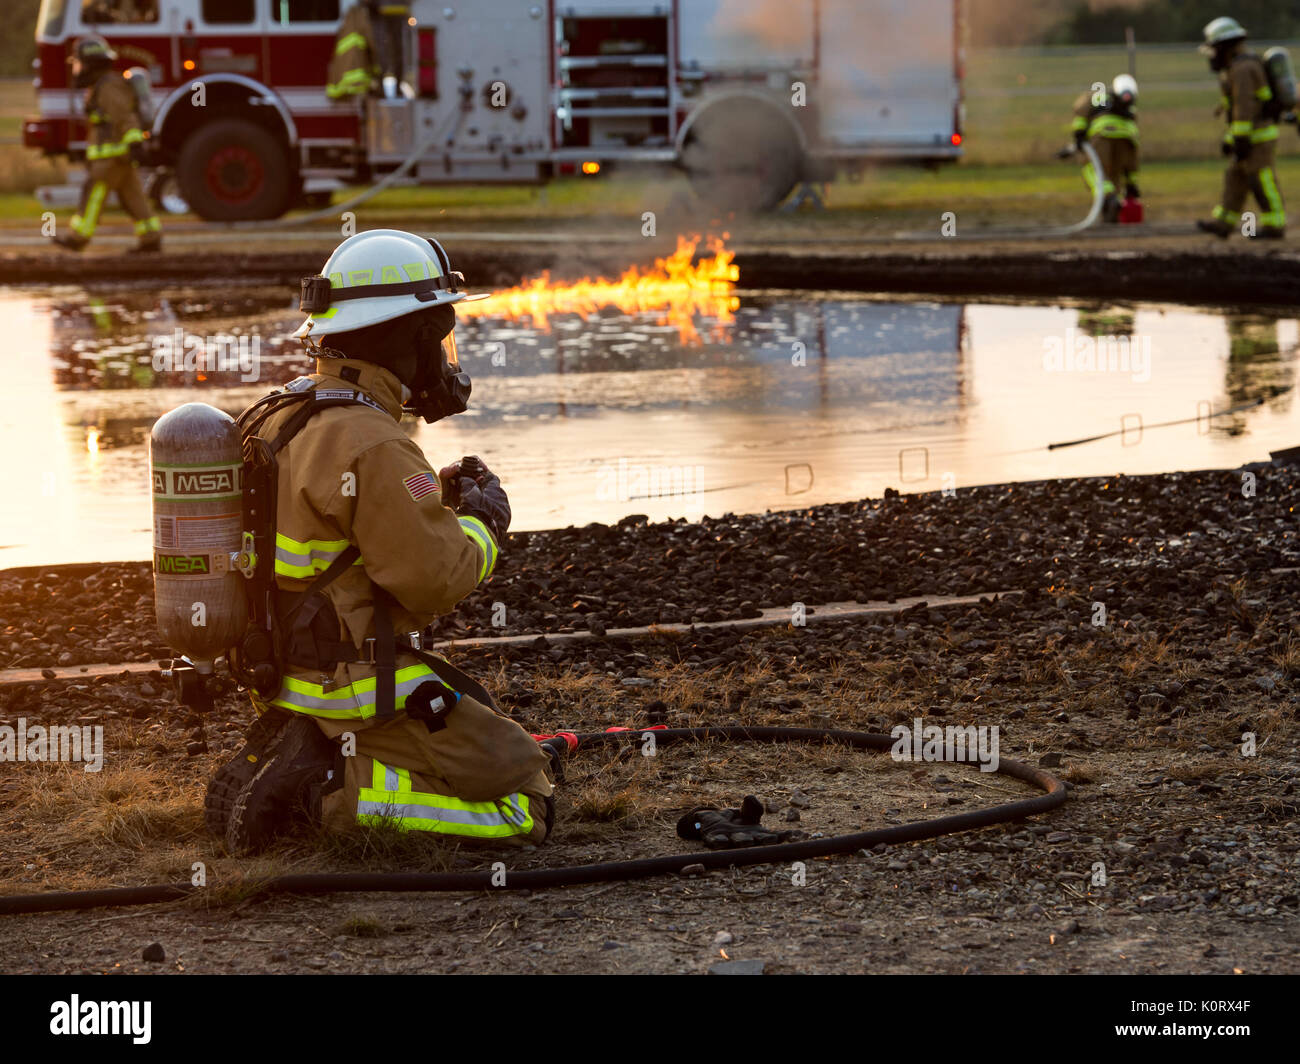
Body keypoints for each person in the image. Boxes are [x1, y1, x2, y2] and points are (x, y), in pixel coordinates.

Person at [206, 228, 555, 854]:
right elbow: (432, 579)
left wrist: (434, 501)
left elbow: (336, 539)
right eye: (438, 334)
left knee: (493, 744)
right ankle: (325, 794)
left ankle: (306, 748)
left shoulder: (279, 415)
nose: (444, 356)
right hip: (359, 692)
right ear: (409, 335)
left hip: (284, 678)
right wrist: (484, 523)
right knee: (525, 798)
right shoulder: (378, 443)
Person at [52, 36, 162, 253]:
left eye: (79, 63)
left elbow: (124, 117)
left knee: (93, 193)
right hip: (117, 156)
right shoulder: (101, 86)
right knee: (133, 197)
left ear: (91, 64)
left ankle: (78, 237)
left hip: (111, 157)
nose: (77, 69)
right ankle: (151, 239)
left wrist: (134, 144)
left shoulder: (108, 86)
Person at [1196, 16, 1286, 239]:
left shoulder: (1243, 69)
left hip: (1259, 136)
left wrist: (1240, 139)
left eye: (1214, 48)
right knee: (1235, 177)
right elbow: (1236, 111)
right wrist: (1232, 139)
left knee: (1261, 178)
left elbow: (1244, 107)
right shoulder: (1237, 67)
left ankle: (1275, 224)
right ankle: (1224, 223)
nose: (1213, 55)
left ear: (1224, 46)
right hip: (1248, 136)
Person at [1066, 75, 1140, 223]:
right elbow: (1131, 161)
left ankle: (1110, 200)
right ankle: (1112, 210)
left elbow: (1081, 111)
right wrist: (1132, 184)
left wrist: (1079, 133)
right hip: (1127, 140)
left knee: (1093, 170)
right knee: (1114, 175)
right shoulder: (1130, 110)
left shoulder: (1099, 97)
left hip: (1102, 137)